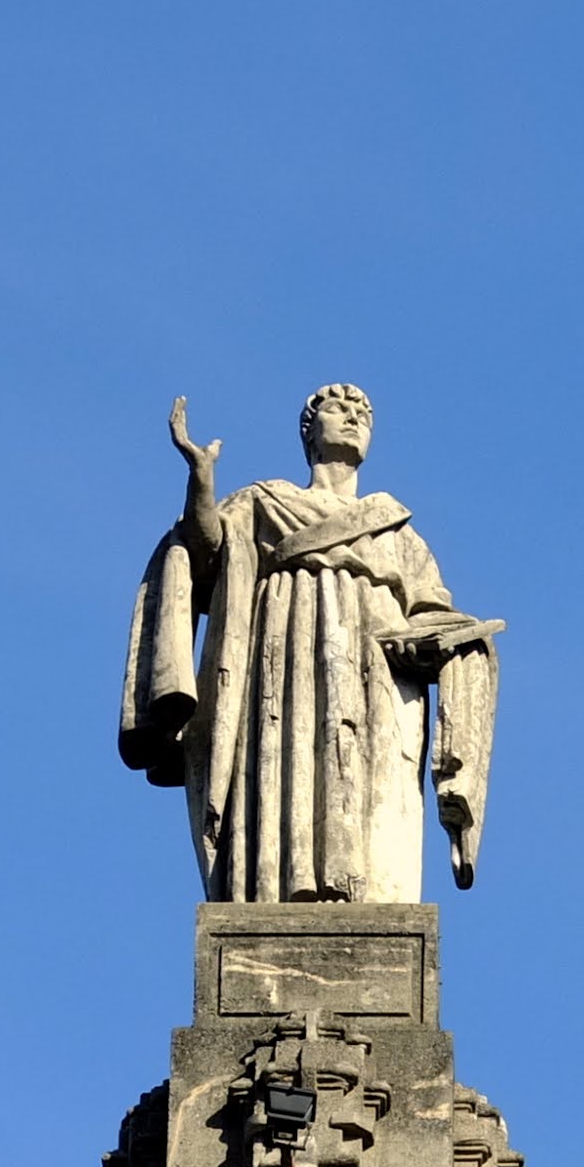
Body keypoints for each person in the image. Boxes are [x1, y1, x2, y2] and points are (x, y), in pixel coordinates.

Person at [120, 384, 500, 902]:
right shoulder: (263, 502)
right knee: (287, 774)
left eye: (363, 413)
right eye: (338, 409)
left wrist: (448, 647)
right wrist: (201, 481)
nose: (353, 418)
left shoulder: (399, 534)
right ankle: (277, 885)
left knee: (374, 793)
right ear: (308, 430)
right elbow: (202, 554)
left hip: (378, 678)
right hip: (286, 660)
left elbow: (433, 615)